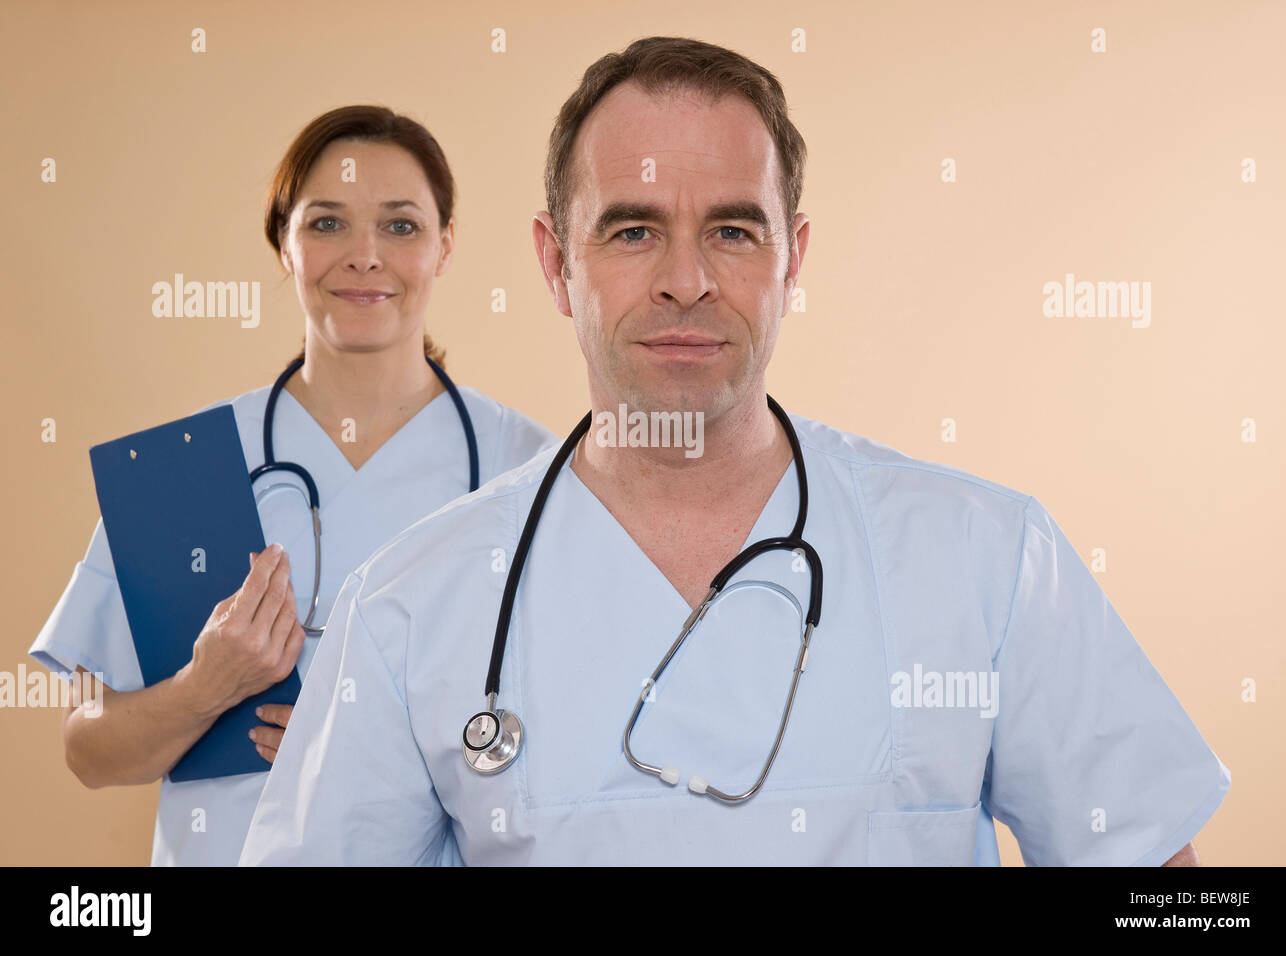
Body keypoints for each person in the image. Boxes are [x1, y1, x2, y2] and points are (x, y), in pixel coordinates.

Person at [239, 40, 1229, 866]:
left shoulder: (984, 557)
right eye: (632, 229)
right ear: (554, 262)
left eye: (732, 229)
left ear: (791, 259)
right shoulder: (411, 605)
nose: (685, 279)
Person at [30, 105, 557, 866]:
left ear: (446, 246)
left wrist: (372, 738)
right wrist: (204, 688)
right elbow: (87, 746)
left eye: (401, 226)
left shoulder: (526, 470)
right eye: (327, 224)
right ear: (283, 242)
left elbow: (581, 732)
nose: (365, 256)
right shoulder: (186, 465)